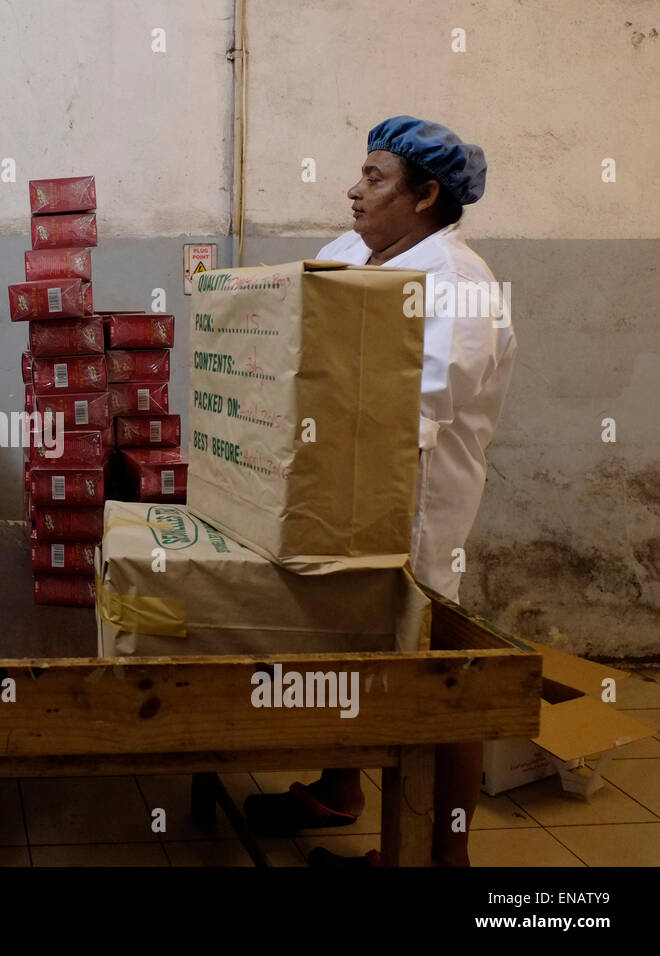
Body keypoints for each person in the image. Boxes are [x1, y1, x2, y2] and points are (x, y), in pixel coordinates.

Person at [243, 117, 517, 867]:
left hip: (418, 513)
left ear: (426, 194)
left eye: (374, 178)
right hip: (335, 495)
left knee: (435, 682)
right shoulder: (346, 253)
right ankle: (339, 792)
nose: (353, 191)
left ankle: (443, 857)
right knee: (351, 650)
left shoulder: (459, 288)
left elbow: (413, 409)